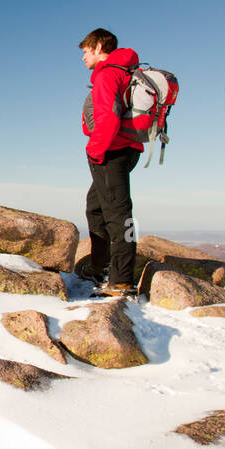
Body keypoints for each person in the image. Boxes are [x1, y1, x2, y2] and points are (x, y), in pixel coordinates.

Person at [75, 28, 143, 296]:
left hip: (112, 152)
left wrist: (95, 150)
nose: (83, 57)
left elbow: (110, 118)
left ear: (99, 46)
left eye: (85, 51)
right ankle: (99, 265)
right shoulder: (124, 71)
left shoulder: (107, 74)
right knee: (96, 208)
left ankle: (122, 280)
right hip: (126, 149)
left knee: (118, 215)